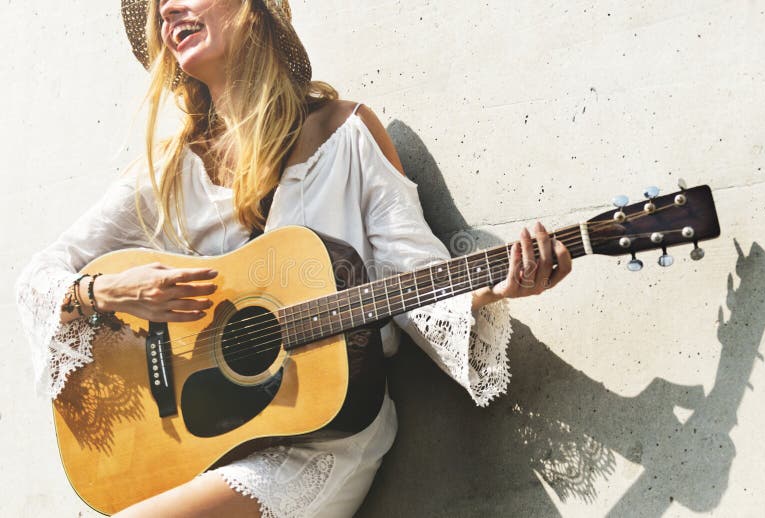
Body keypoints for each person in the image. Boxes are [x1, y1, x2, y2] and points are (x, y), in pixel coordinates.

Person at [15, 0, 572, 516]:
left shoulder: (345, 134)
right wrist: (106, 291)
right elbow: (38, 276)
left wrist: (494, 288)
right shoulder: (167, 174)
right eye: (159, 5)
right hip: (203, 445)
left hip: (320, 441)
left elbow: (416, 279)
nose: (167, 11)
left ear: (252, 9)